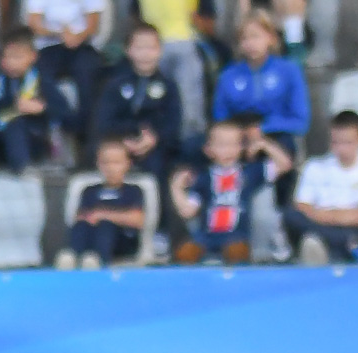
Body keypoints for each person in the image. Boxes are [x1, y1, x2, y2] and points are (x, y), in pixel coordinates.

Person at [212, 10, 308, 209]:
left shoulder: (288, 71)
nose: (250, 44)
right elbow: (219, 115)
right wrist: (238, 135)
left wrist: (264, 130)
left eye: (255, 37)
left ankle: (282, 209)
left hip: (275, 133)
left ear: (270, 38)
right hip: (238, 134)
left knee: (285, 148)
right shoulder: (228, 74)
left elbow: (300, 120)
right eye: (244, 38)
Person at [170, 118, 291, 263]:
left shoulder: (250, 172)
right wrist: (176, 187)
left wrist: (264, 144)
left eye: (234, 145)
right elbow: (188, 211)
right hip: (206, 236)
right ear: (208, 149)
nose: (228, 151)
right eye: (222, 145)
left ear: (242, 147)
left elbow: (284, 165)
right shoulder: (203, 178)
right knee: (185, 253)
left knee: (236, 252)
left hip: (236, 236)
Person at [0, 29, 74, 173]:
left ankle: (24, 168)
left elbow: (67, 114)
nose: (11, 62)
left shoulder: (42, 82)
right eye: (7, 57)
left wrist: (42, 108)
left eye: (17, 57)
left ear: (32, 56)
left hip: (31, 141)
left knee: (15, 123)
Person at [284, 109, 358, 264]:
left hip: (349, 230)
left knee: (348, 236)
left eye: (348, 143)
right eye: (336, 142)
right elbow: (302, 206)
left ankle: (322, 244)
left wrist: (319, 214)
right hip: (327, 228)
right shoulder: (314, 167)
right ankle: (327, 244)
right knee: (291, 216)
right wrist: (341, 215)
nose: (341, 149)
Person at [94, 23, 183, 200]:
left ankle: (158, 215)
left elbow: (173, 122)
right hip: (119, 142)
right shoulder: (115, 84)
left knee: (159, 165)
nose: (145, 54)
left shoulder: (169, 86)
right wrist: (123, 140)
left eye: (151, 48)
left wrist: (154, 138)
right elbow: (104, 120)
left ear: (160, 51)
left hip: (155, 147)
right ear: (128, 50)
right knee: (110, 159)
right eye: (139, 48)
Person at [58, 138, 148, 267]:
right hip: (91, 237)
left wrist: (103, 215)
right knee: (81, 226)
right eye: (106, 163)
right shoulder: (89, 190)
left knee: (105, 226)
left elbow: (137, 219)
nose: (111, 168)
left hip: (122, 240)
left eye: (116, 163)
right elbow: (81, 216)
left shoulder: (133, 191)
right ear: (98, 164)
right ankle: (72, 256)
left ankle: (98, 260)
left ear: (128, 164)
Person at [26, 0, 105, 144]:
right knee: (40, 76)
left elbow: (93, 25)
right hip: (48, 46)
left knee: (88, 76)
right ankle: (68, 122)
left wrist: (76, 36)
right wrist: (61, 34)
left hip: (83, 44)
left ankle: (86, 135)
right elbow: (34, 24)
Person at [132, 0, 207, 134]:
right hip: (180, 41)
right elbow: (197, 16)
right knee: (188, 101)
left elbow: (134, 15)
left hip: (152, 42)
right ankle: (187, 137)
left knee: (153, 94)